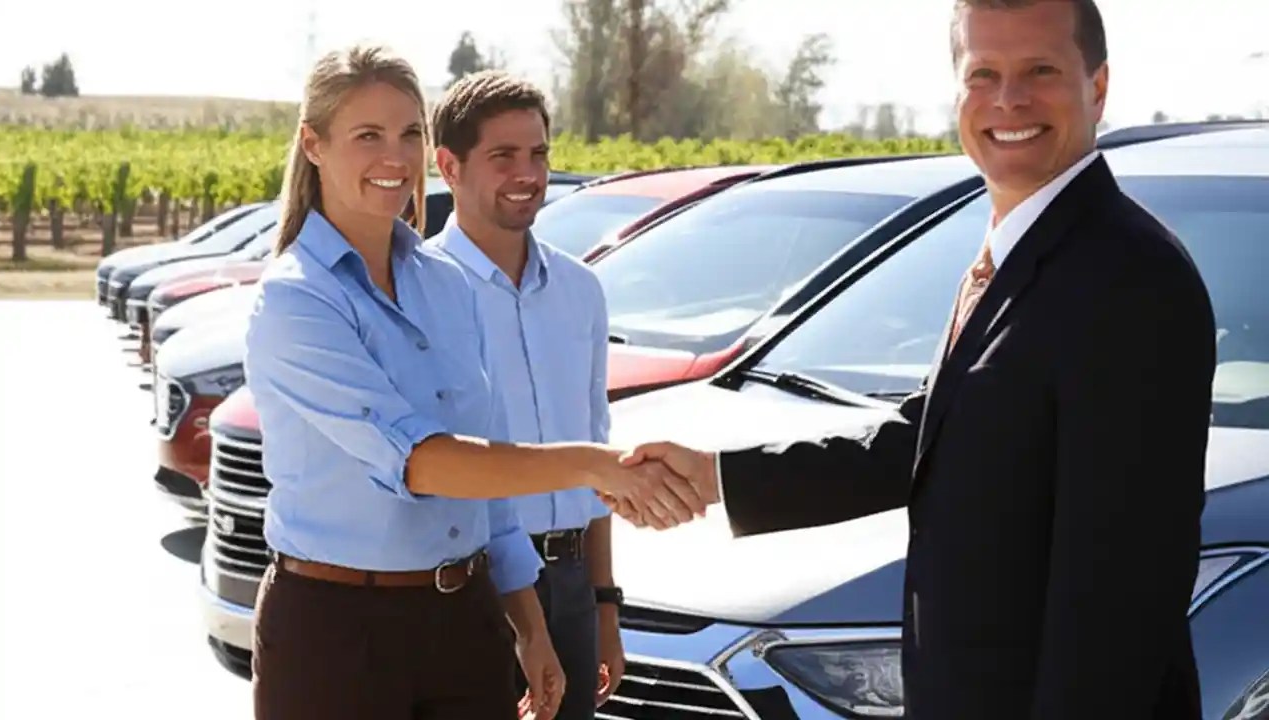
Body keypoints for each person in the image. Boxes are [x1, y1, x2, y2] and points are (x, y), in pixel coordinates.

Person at [614, 1, 1217, 718]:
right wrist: (717, 476)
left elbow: (1121, 595)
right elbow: (925, 440)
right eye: (983, 73)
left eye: (1041, 71)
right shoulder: (1019, 251)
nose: (1008, 100)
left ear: (1100, 85)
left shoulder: (1130, 280)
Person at [243, 43, 687, 720]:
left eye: (410, 134)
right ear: (313, 144)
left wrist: (531, 628)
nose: (396, 158)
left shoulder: (446, 284)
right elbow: (423, 463)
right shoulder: (295, 300)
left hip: (466, 622)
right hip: (337, 633)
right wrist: (600, 467)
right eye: (368, 136)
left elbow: (492, 490)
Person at [425, 71, 624, 720]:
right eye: (503, 155)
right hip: (467, 589)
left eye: (537, 154)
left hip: (569, 586)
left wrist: (604, 606)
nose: (527, 173)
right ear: (449, 166)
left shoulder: (580, 290)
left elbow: (597, 456)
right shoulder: (420, 293)